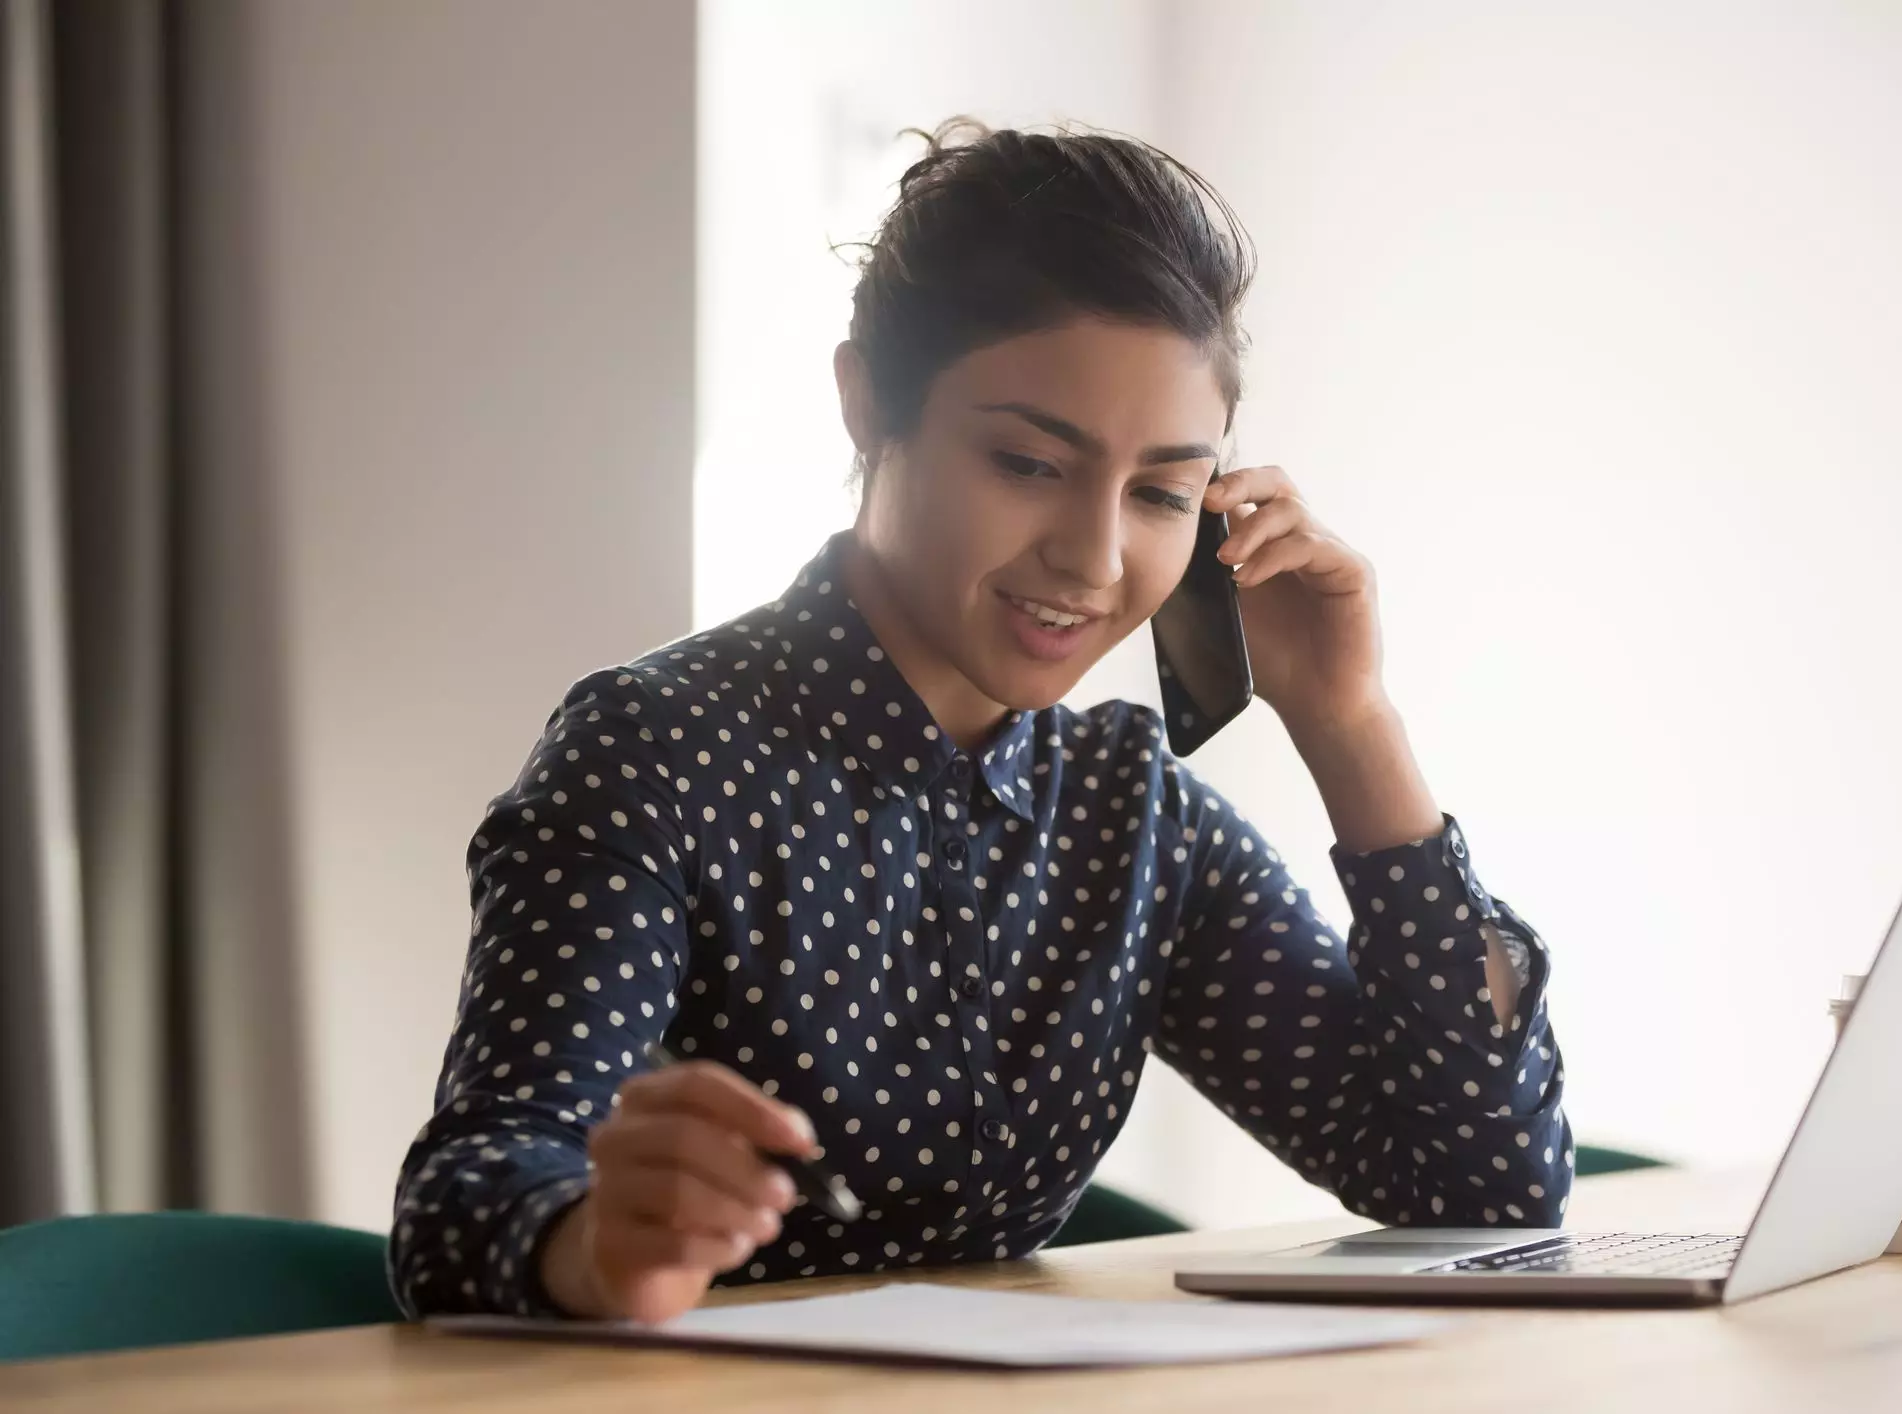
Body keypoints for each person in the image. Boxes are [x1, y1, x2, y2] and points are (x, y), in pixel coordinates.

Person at [390, 120, 1571, 1322]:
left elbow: (1484, 1190)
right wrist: (598, 1246)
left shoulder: (1130, 814)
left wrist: (1349, 720)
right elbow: (467, 1200)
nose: (1096, 555)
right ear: (866, 405)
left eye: (1163, 492)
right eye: (1027, 462)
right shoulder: (655, 752)